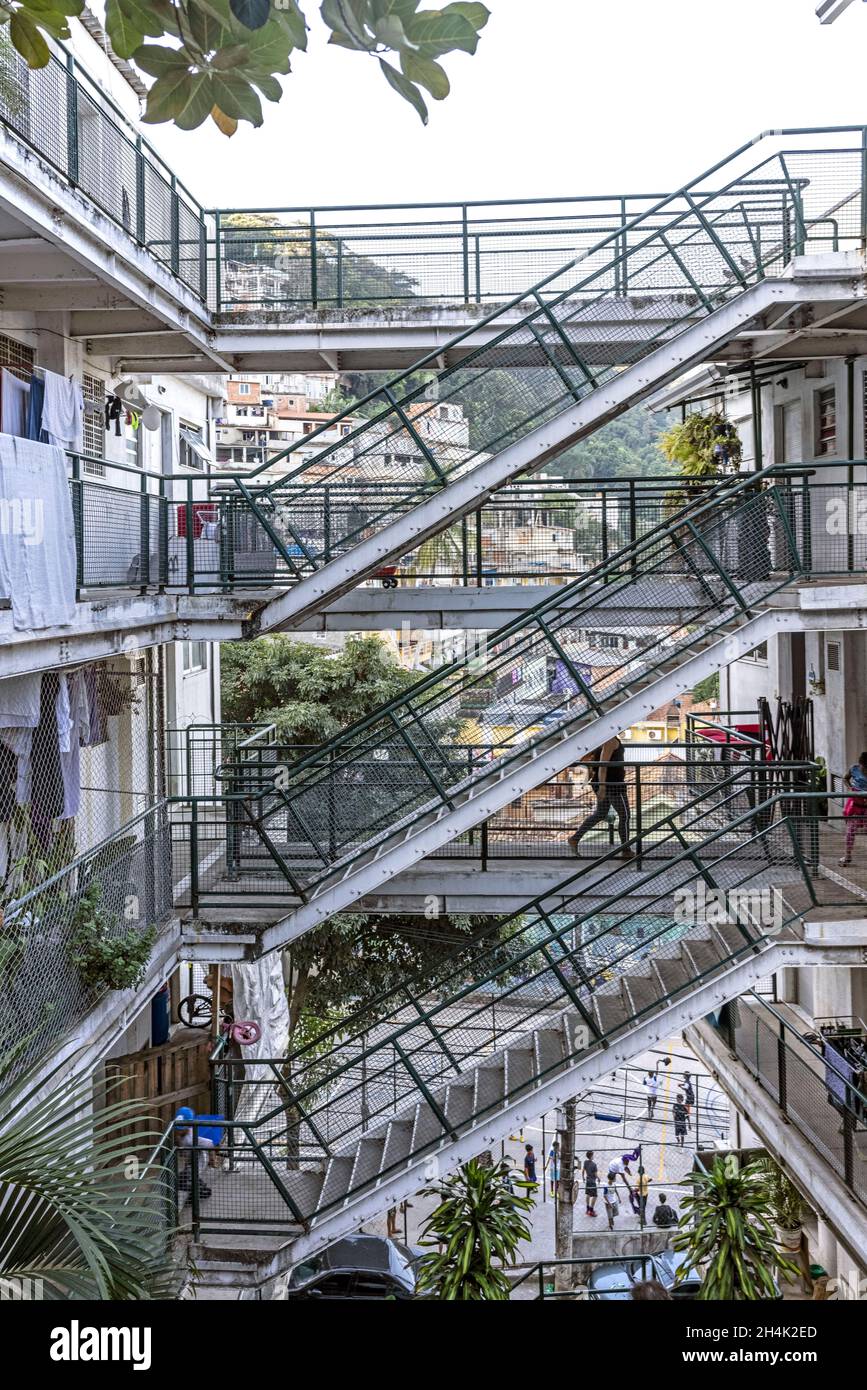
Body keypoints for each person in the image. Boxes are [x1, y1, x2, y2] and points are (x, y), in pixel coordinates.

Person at [568, 737, 634, 860]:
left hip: (606, 783)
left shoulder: (603, 738)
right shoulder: (610, 741)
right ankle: (626, 850)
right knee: (625, 816)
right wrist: (602, 787)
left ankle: (575, 839)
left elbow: (589, 758)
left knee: (601, 813)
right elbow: (603, 766)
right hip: (612, 785)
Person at [174, 1109, 214, 1199]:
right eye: (177, 1128)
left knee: (181, 1182)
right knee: (182, 1178)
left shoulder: (190, 1138)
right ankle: (199, 1185)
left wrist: (212, 1159)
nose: (178, 1131)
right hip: (190, 1160)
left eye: (181, 1129)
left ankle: (198, 1192)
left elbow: (210, 1143)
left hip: (198, 1162)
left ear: (187, 1127)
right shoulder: (182, 1133)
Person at [840, 752, 867, 865]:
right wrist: (850, 788)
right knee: (850, 831)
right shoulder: (854, 768)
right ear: (860, 764)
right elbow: (845, 779)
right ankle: (847, 855)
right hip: (855, 804)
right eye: (864, 768)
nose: (865, 770)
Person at [583, 1150, 598, 1216]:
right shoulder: (594, 1165)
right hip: (592, 1181)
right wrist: (599, 1178)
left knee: (588, 1194)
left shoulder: (585, 1162)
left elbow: (583, 1170)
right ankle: (591, 1210)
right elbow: (595, 1174)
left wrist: (583, 1177)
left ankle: (587, 1208)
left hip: (588, 1180)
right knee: (595, 1196)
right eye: (593, 1155)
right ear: (591, 1156)